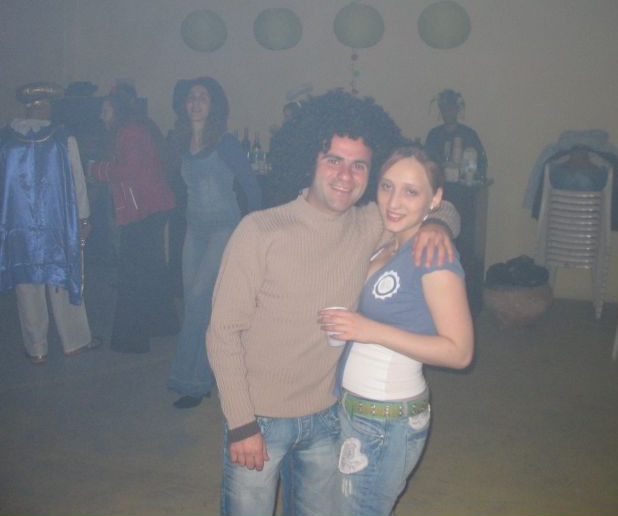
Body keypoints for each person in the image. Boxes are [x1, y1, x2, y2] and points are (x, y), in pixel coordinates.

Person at [206, 88, 460, 516]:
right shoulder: (260, 231)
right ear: (310, 160)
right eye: (334, 160)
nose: (346, 175)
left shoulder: (369, 223)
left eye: (359, 165)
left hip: (328, 417)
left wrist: (438, 226)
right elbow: (223, 332)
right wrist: (241, 423)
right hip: (259, 417)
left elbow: (436, 203)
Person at [319, 145, 474, 515]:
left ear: (434, 198)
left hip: (386, 418)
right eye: (387, 186)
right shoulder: (388, 242)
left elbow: (460, 352)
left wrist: (368, 330)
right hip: (356, 407)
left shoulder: (434, 257)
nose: (393, 201)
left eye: (411, 191)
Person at [0, 81, 101, 364]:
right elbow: (77, 182)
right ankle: (74, 341)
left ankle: (37, 348)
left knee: (26, 282)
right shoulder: (63, 138)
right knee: (62, 276)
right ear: (47, 108)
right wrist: (84, 217)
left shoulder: (2, 138)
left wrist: (14, 200)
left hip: (19, 224)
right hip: (57, 222)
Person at [167, 77, 261, 409]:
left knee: (196, 300)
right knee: (197, 305)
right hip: (195, 230)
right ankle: (206, 375)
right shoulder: (180, 141)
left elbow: (251, 185)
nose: (195, 103)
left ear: (213, 105)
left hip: (223, 228)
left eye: (203, 98)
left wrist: (256, 231)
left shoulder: (225, 142)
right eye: (191, 97)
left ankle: (190, 381)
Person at [88, 83, 177, 353]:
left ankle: (132, 340)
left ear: (117, 111)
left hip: (145, 211)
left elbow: (129, 171)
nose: (101, 116)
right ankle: (163, 324)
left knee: (132, 275)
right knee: (150, 270)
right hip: (151, 208)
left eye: (105, 110)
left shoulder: (130, 132)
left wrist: (95, 169)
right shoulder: (130, 130)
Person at [424, 89, 486, 170]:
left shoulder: (469, 135)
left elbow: (481, 162)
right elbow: (427, 162)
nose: (448, 112)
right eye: (445, 109)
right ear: (441, 110)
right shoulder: (434, 136)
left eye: (451, 108)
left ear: (457, 109)